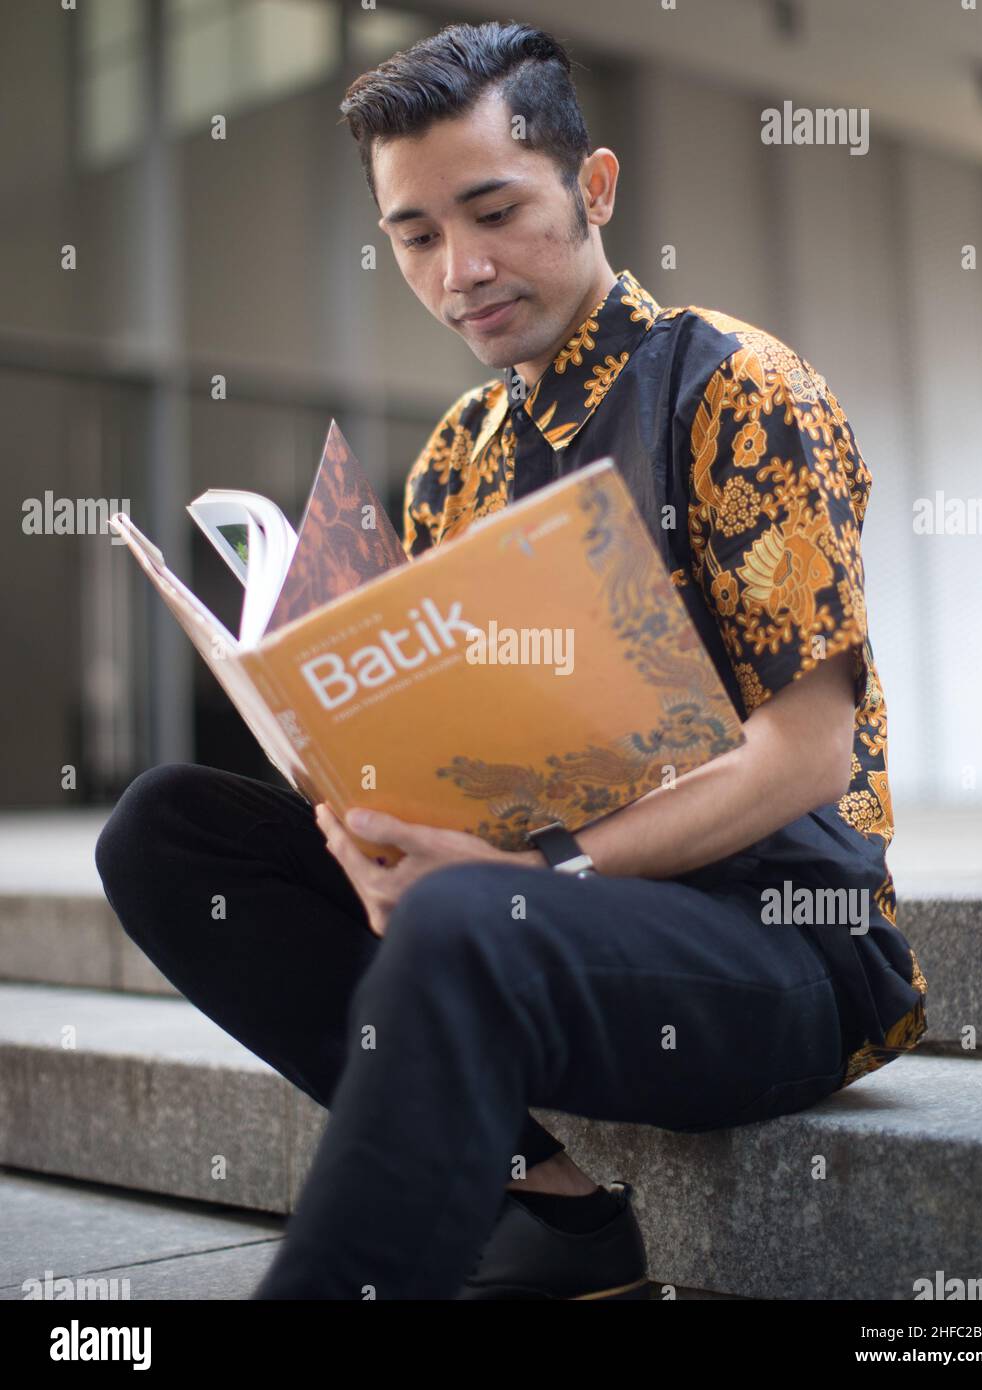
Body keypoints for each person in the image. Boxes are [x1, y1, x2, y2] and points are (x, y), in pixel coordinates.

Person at [95, 19, 927, 1301]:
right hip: (525, 931)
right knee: (164, 829)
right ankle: (538, 1202)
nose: (461, 270)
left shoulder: (734, 389)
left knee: (475, 910)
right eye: (416, 236)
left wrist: (533, 873)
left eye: (493, 212)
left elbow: (808, 756)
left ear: (593, 187)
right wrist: (358, 809)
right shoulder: (454, 457)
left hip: (778, 953)